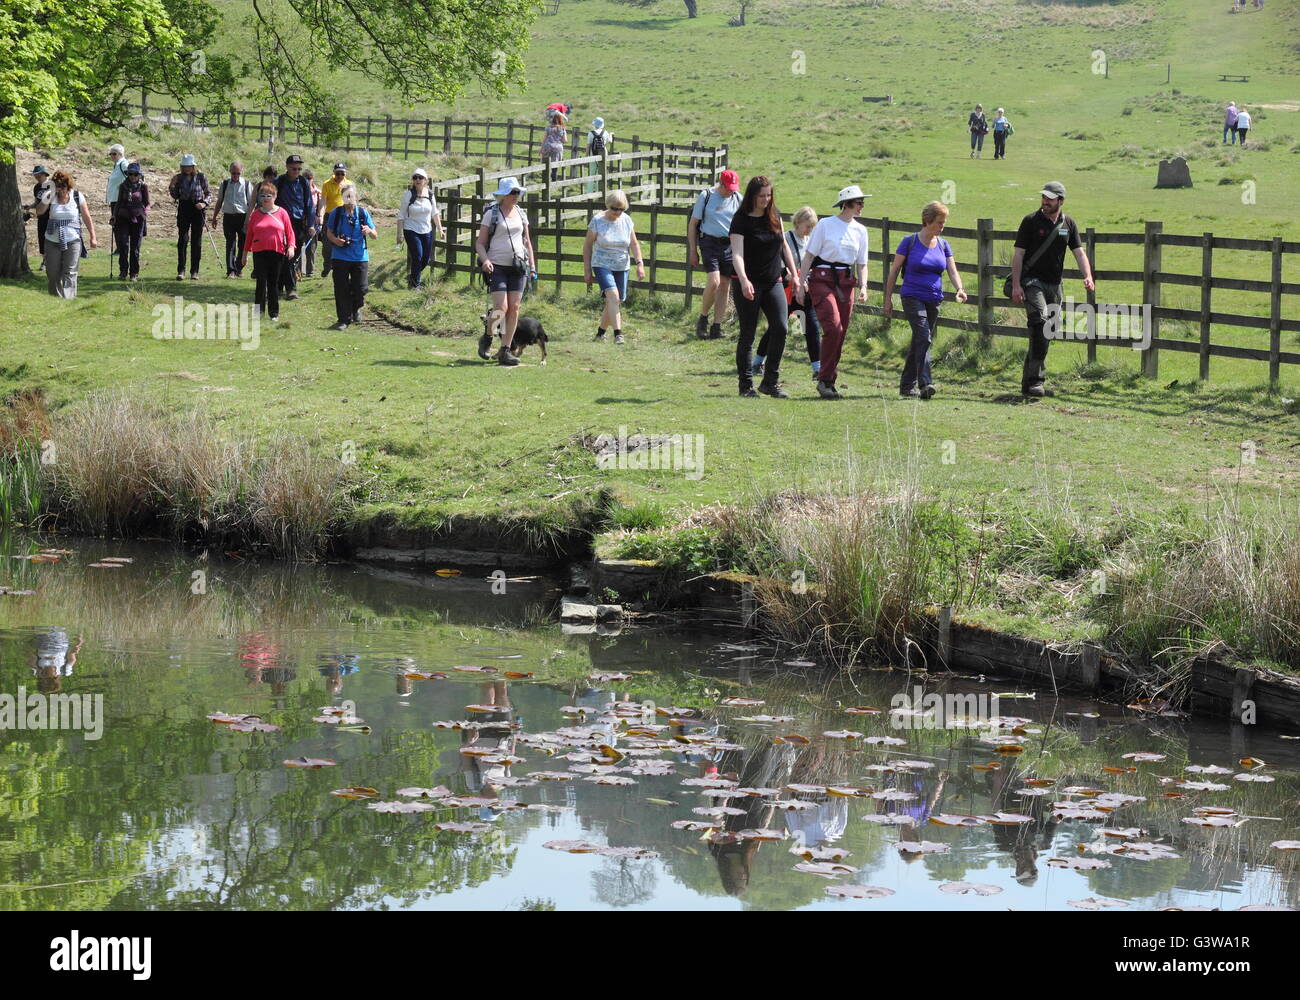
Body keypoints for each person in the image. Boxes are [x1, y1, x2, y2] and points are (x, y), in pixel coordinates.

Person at [1011, 180, 1095, 398]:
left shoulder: (1069, 224)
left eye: (1050, 198)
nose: (1045, 201)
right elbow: (1018, 254)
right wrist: (1017, 284)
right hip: (1032, 282)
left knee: (1046, 331)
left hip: (1055, 286)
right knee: (1039, 323)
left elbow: (1079, 252)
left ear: (1061, 200)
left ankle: (1029, 384)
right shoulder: (1030, 221)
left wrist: (1087, 275)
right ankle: (1037, 380)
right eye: (1043, 197)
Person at [882, 201, 968, 399]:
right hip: (912, 296)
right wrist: (888, 299)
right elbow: (894, 271)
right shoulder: (909, 242)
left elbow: (952, 271)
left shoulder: (944, 244)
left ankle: (906, 386)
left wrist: (960, 289)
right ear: (928, 221)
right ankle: (925, 384)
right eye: (939, 222)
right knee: (924, 337)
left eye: (944, 222)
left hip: (934, 299)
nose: (942, 226)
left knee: (919, 341)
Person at [796, 185, 870, 400]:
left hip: (846, 282)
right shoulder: (826, 225)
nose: (862, 206)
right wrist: (801, 285)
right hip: (822, 279)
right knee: (834, 328)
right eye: (858, 203)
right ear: (846, 204)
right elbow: (809, 256)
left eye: (862, 203)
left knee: (841, 333)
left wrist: (863, 286)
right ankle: (825, 378)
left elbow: (862, 263)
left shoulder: (861, 230)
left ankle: (828, 381)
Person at [729, 175, 800, 398]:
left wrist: (794, 274)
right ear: (752, 196)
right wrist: (743, 280)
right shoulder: (741, 219)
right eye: (762, 196)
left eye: (769, 195)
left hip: (773, 281)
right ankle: (746, 385)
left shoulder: (774, 215)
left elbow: (784, 247)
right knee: (747, 334)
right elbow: (737, 253)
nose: (766, 199)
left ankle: (770, 381)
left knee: (781, 327)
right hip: (748, 282)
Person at [753, 206, 821, 382]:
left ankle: (817, 368)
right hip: (786, 291)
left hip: (804, 292)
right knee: (777, 327)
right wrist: (791, 275)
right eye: (807, 226)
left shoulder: (810, 241)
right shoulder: (787, 239)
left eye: (813, 227)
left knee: (811, 327)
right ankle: (758, 362)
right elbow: (779, 264)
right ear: (798, 222)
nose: (810, 230)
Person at [474, 177, 537, 367]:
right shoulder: (491, 213)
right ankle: (487, 335)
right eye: (512, 192)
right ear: (503, 194)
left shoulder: (521, 213)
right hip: (497, 265)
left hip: (519, 266)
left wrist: (532, 266)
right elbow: (480, 243)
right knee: (501, 307)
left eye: (517, 192)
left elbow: (527, 242)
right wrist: (485, 260)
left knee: (514, 307)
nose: (515, 196)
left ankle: (505, 350)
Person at [583, 189, 645, 345]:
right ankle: (618, 334)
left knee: (614, 301)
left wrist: (639, 264)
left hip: (622, 265)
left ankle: (600, 334)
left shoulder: (626, 221)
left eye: (621, 209)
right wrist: (587, 270)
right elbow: (587, 245)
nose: (617, 212)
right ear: (608, 206)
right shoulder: (597, 220)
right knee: (613, 297)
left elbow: (634, 244)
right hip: (602, 264)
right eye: (614, 209)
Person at [688, 169, 743, 339]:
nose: (730, 191)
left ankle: (717, 326)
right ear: (721, 183)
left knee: (725, 285)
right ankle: (703, 318)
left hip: (729, 245)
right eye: (728, 188)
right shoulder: (706, 196)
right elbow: (693, 224)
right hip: (709, 242)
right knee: (714, 282)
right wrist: (693, 250)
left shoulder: (738, 199)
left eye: (733, 188)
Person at [239, 180, 295, 323]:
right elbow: (249, 236)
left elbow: (290, 233)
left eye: (269, 195)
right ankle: (258, 313)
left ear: (275, 197)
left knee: (273, 283)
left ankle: (274, 313)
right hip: (259, 252)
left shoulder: (282, 213)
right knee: (260, 282)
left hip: (277, 252)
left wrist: (290, 247)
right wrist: (244, 255)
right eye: (262, 195)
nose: (265, 198)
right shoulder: (256, 214)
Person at [36, 171, 97, 297]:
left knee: (70, 272)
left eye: (63, 186)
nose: (60, 189)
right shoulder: (50, 196)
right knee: (52, 273)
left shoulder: (77, 196)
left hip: (73, 239)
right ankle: (55, 299)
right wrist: (49, 195)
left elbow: (86, 217)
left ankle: (68, 299)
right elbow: (39, 211)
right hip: (52, 240)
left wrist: (93, 237)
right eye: (57, 186)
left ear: (68, 186)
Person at [324, 185, 377, 330]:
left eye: (351, 196)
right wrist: (336, 241)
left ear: (356, 197)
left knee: (361, 288)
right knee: (341, 288)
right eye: (346, 196)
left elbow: (375, 235)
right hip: (340, 256)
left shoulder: (362, 213)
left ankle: (355, 309)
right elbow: (329, 233)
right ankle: (343, 320)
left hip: (360, 256)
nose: (349, 199)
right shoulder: (336, 213)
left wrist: (369, 230)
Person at [274, 154, 317, 299]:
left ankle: (281, 286)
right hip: (280, 224)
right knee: (284, 256)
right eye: (294, 168)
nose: (296, 171)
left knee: (293, 256)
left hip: (298, 224)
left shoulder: (304, 183)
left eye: (299, 169)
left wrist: (311, 224)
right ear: (287, 167)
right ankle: (290, 288)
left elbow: (309, 205)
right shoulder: (279, 182)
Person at [396, 167, 444, 290]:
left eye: (420, 177)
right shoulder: (409, 195)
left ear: (426, 180)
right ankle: (414, 284)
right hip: (411, 229)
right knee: (417, 256)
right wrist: (399, 234)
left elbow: (435, 213)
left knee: (425, 259)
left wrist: (440, 229)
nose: (417, 180)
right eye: (415, 177)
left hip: (427, 230)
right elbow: (401, 215)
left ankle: (412, 277)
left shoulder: (430, 194)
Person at [169, 154, 210, 280]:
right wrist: (172, 186)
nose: (187, 168)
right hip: (184, 207)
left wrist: (204, 203)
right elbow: (175, 195)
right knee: (183, 239)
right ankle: (181, 270)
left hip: (197, 208)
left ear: (193, 166)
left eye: (189, 166)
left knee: (196, 241)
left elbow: (208, 193)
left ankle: (194, 271)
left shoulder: (201, 177)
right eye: (184, 166)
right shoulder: (179, 178)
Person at [211, 161, 254, 278]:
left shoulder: (246, 184)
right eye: (233, 173)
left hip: (243, 217)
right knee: (230, 244)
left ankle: (238, 267)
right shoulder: (225, 184)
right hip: (228, 217)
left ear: (241, 172)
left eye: (238, 173)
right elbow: (219, 201)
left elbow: (251, 203)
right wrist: (214, 217)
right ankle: (231, 270)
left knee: (243, 244)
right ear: (230, 172)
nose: (235, 175)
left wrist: (250, 219)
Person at [112, 162, 150, 281]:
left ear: (139, 175)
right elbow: (119, 203)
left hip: (138, 219)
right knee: (123, 245)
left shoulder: (143, 187)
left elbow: (147, 203)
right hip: (123, 217)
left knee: (135, 247)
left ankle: (134, 273)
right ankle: (123, 271)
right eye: (130, 174)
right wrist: (114, 216)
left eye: (135, 174)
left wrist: (145, 211)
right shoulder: (123, 186)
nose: (132, 176)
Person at [318, 163, 350, 277]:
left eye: (342, 173)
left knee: (342, 241)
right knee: (327, 245)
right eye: (338, 173)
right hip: (329, 216)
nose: (340, 176)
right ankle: (327, 265)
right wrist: (320, 216)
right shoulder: (326, 184)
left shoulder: (349, 184)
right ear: (334, 172)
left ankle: (341, 266)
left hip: (344, 217)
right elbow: (323, 202)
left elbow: (352, 201)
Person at [25, 165, 52, 267]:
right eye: (36, 175)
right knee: (42, 238)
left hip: (51, 216)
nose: (37, 177)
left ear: (44, 174)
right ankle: (44, 261)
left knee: (51, 239)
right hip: (41, 216)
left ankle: (52, 261)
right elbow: (37, 201)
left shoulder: (51, 185)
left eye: (39, 175)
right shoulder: (37, 187)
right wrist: (30, 206)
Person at [105, 143, 129, 256]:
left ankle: (122, 248)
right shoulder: (117, 165)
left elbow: (132, 177)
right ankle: (120, 247)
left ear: (121, 154)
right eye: (111, 154)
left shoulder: (123, 164)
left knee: (119, 224)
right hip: (115, 199)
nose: (112, 156)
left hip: (121, 200)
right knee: (116, 224)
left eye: (114, 154)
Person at [301, 168, 322, 277]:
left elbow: (321, 206)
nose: (308, 180)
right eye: (306, 178)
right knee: (300, 246)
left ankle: (310, 270)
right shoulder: (299, 190)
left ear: (312, 179)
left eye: (309, 178)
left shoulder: (317, 192)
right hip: (300, 221)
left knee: (311, 247)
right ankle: (300, 270)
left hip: (313, 222)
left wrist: (319, 216)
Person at [585, 116, 613, 194]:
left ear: (595, 124)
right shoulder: (605, 133)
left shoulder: (591, 133)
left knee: (592, 173)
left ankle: (589, 192)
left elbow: (588, 146)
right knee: (601, 173)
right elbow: (610, 141)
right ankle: (599, 192)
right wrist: (610, 134)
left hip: (593, 154)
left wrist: (586, 156)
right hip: (603, 154)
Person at [542, 110, 567, 177]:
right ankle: (553, 179)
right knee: (555, 165)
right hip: (557, 147)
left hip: (547, 146)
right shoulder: (562, 129)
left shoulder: (548, 128)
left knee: (546, 164)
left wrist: (541, 149)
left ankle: (545, 179)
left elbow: (544, 139)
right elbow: (565, 140)